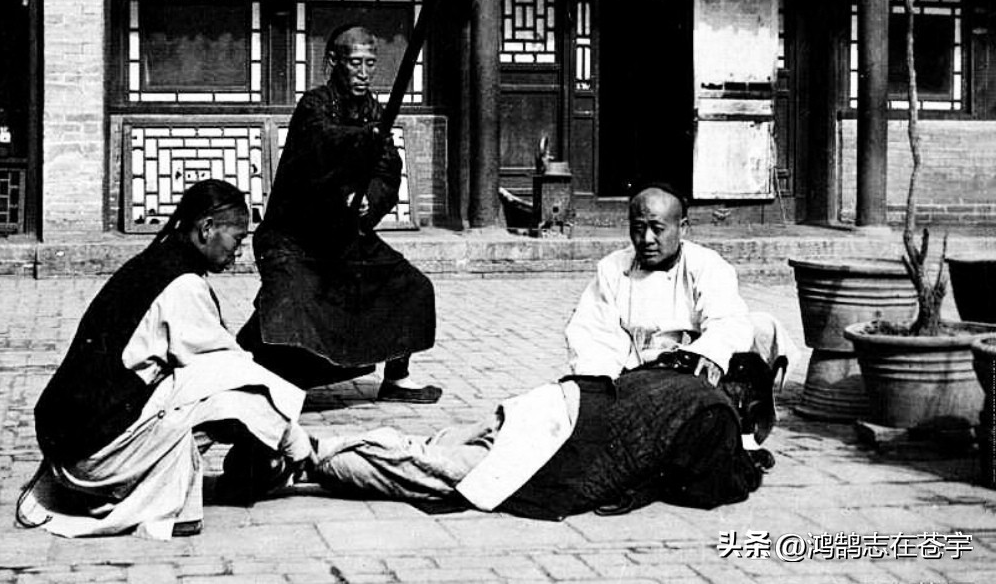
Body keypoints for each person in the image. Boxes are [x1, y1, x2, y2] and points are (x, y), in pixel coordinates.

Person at [16, 180, 311, 539]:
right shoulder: (182, 284)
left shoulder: (156, 262)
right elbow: (231, 371)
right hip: (95, 460)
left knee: (203, 382)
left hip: (71, 451)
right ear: (206, 229)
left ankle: (246, 467)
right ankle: (173, 501)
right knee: (232, 388)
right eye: (236, 239)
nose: (238, 252)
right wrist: (291, 440)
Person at [239, 24, 441, 402]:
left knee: (411, 286)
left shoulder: (373, 110)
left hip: (344, 236)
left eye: (370, 64)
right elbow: (321, 141)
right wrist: (366, 136)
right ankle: (258, 371)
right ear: (333, 62)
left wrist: (371, 201)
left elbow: (386, 171)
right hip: (293, 236)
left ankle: (396, 378)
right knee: (290, 302)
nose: (364, 73)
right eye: (355, 63)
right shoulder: (314, 106)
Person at [303, 361, 770, 519]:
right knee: (433, 474)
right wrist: (748, 469)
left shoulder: (679, 379)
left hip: (549, 403)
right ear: (745, 398)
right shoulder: (717, 411)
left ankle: (320, 450)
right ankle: (308, 456)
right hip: (555, 442)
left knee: (438, 449)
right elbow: (706, 491)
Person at [565, 183, 795, 445]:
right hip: (634, 373)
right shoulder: (612, 268)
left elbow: (726, 320)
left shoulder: (707, 265)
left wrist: (707, 356)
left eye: (657, 229)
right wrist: (601, 388)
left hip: (693, 371)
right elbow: (592, 330)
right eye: (638, 228)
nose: (647, 239)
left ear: (682, 228)